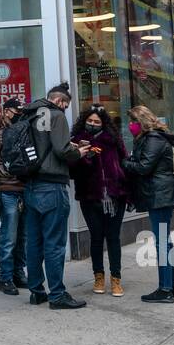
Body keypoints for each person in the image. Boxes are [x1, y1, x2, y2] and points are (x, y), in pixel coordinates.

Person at [17, 83, 89, 310]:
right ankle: (57, 294)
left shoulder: (29, 114)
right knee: (55, 243)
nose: (66, 109)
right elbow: (61, 150)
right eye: (65, 105)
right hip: (52, 187)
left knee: (34, 243)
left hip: (30, 186)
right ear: (58, 101)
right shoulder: (56, 115)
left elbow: (44, 146)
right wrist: (78, 151)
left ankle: (37, 291)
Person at [123, 105, 174, 304]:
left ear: (141, 122)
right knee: (165, 241)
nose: (130, 126)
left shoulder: (153, 140)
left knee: (162, 243)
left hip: (160, 196)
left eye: (132, 121)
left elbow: (143, 167)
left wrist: (122, 162)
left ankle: (165, 289)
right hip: (160, 195)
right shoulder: (153, 138)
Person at [71, 105, 130, 297]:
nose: (93, 124)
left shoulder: (113, 139)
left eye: (97, 121)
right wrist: (83, 157)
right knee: (96, 237)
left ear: (103, 123)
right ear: (84, 121)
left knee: (113, 237)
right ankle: (98, 276)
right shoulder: (76, 141)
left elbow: (125, 162)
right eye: (90, 121)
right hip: (90, 196)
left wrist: (128, 191)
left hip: (115, 196)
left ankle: (116, 279)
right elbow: (71, 172)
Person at [0, 97, 27, 295]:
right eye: (17, 110)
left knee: (22, 237)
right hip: (7, 190)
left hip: (25, 189)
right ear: (7, 111)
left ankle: (19, 273)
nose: (19, 113)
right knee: (9, 237)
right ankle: (6, 278)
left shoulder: (23, 129)